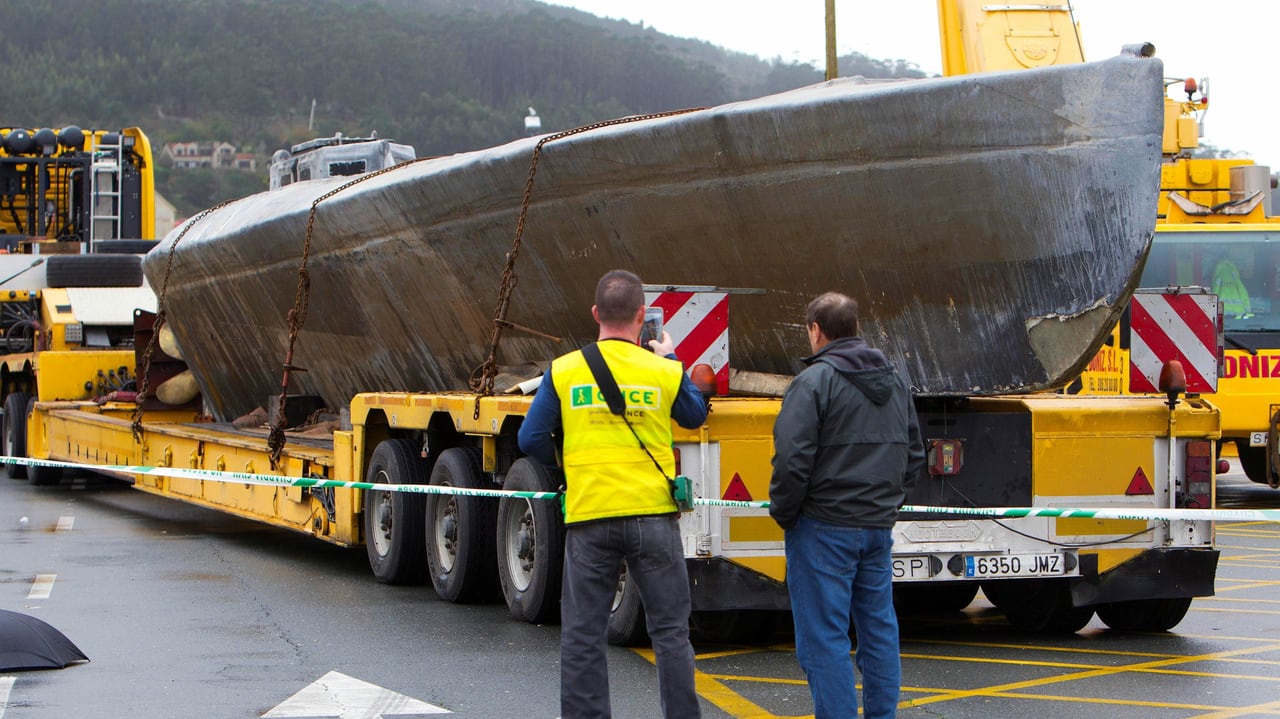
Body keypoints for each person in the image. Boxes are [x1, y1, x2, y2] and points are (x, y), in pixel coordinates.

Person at [518, 269, 708, 719]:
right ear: (643, 317)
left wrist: (568, 466)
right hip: (653, 519)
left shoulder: (564, 370)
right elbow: (695, 414)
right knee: (670, 634)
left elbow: (530, 439)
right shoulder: (662, 370)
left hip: (591, 518)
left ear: (595, 314)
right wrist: (673, 357)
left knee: (583, 636)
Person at [768, 292, 925, 719]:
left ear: (816, 331)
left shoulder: (813, 383)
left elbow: (791, 460)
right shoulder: (895, 381)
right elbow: (914, 456)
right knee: (878, 632)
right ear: (855, 328)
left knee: (824, 641)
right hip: (876, 528)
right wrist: (886, 506)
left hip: (822, 527)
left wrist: (785, 513)